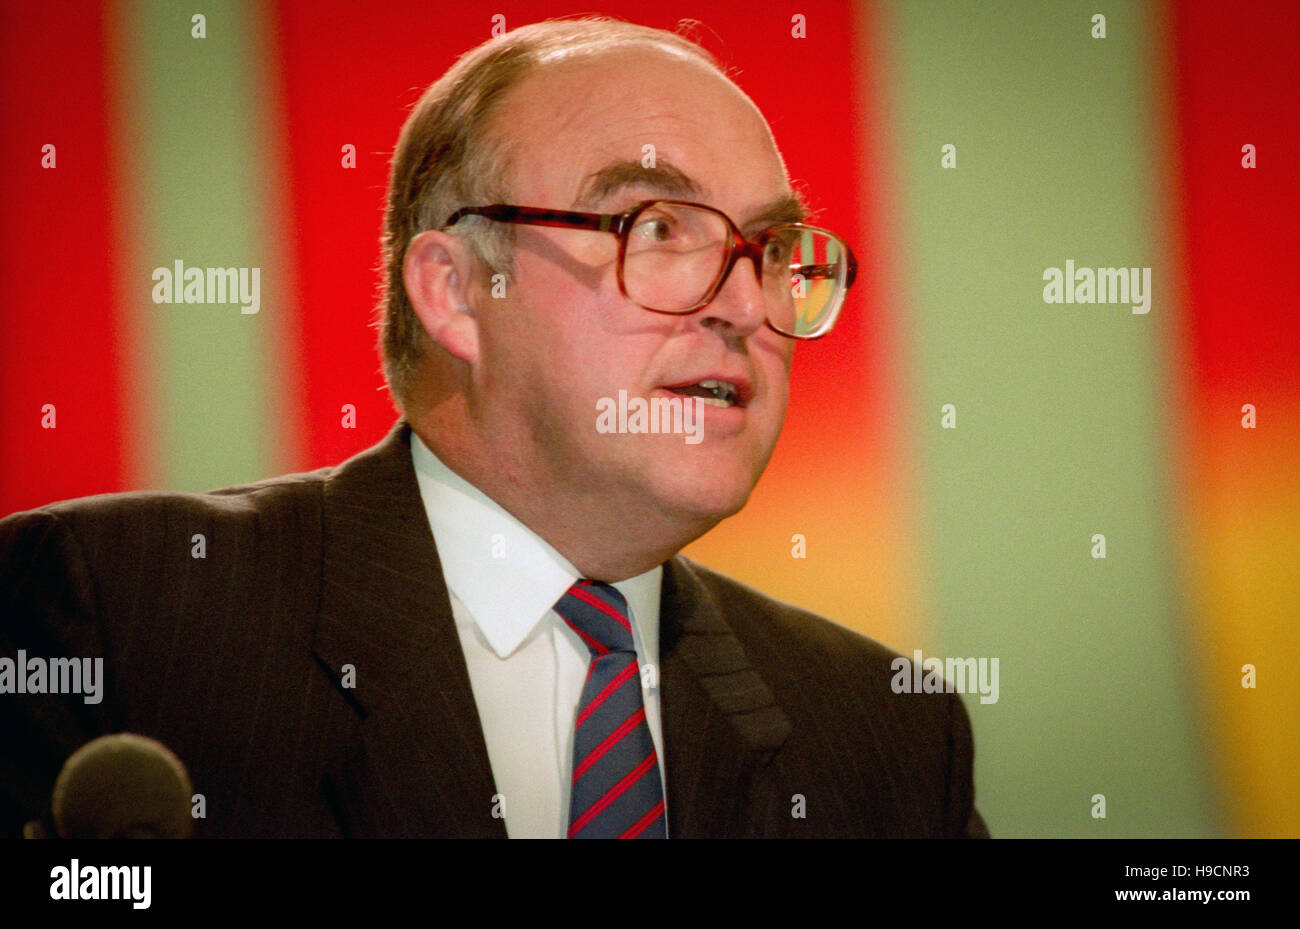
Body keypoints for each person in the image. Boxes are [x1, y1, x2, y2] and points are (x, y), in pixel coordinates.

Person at [0, 18, 988, 838]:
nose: (739, 301)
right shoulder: (115, 609)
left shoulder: (887, 731)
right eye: (657, 227)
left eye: (769, 249)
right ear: (456, 291)